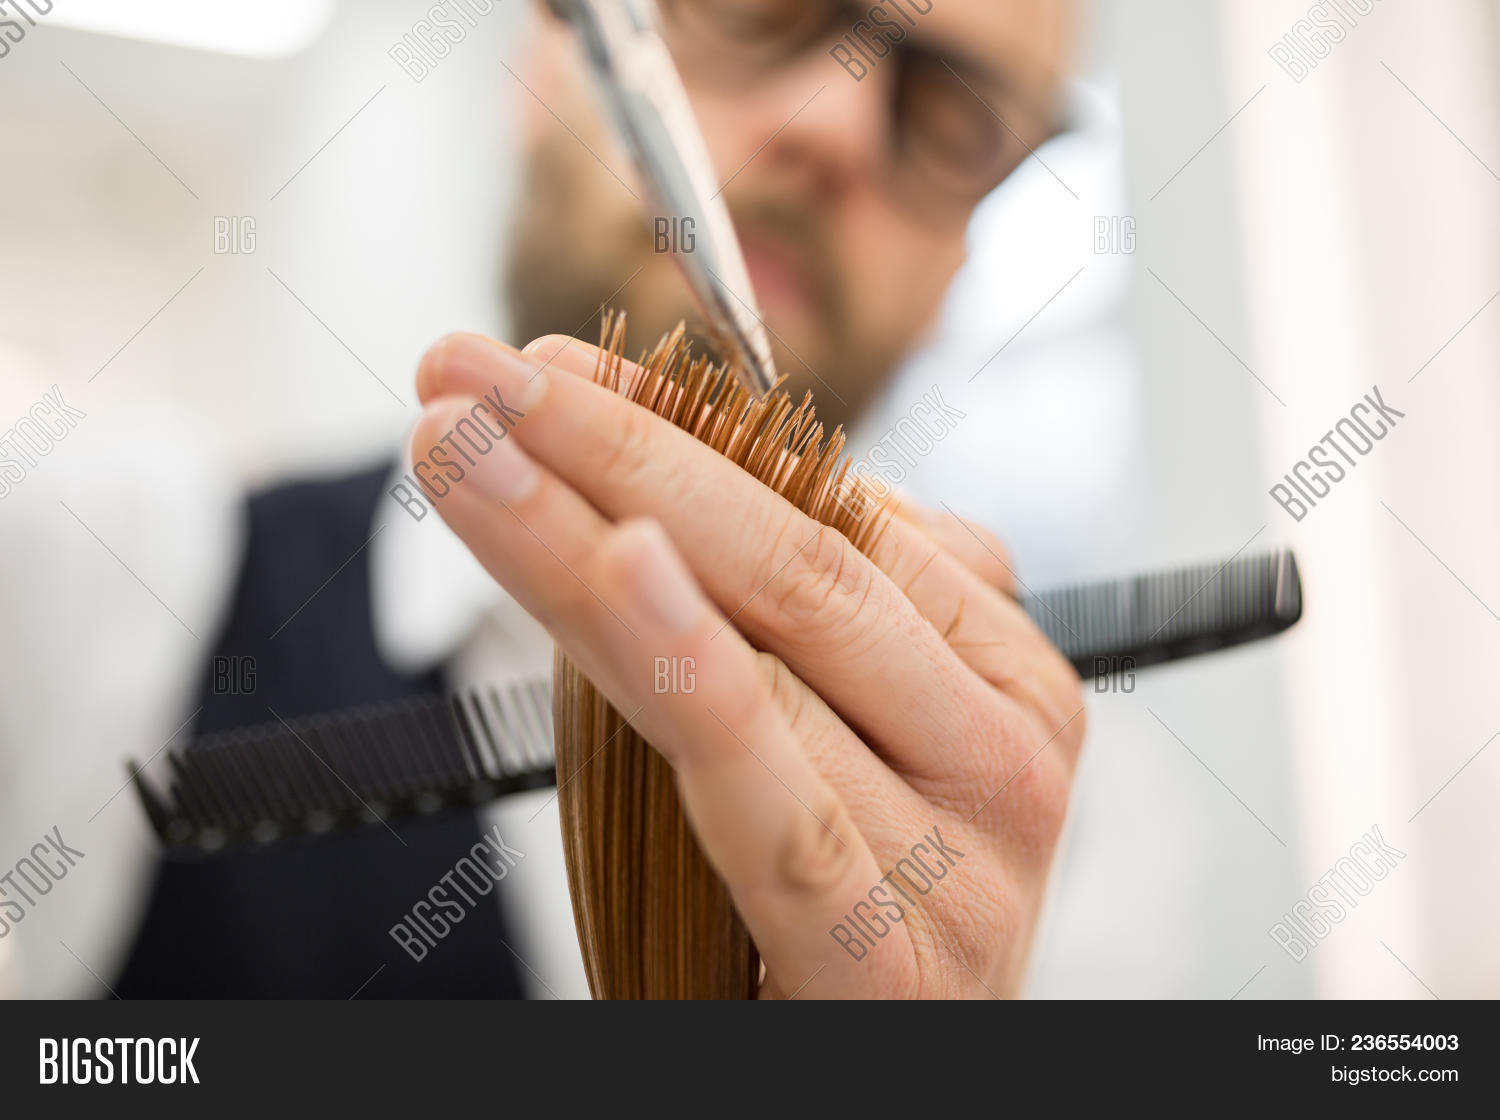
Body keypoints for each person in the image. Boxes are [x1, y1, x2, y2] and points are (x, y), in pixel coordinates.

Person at [115, 0, 1082, 998]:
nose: (827, 122)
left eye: (952, 110)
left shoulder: (1069, 834)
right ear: (546, 51)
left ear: (959, 262)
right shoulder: (116, 591)